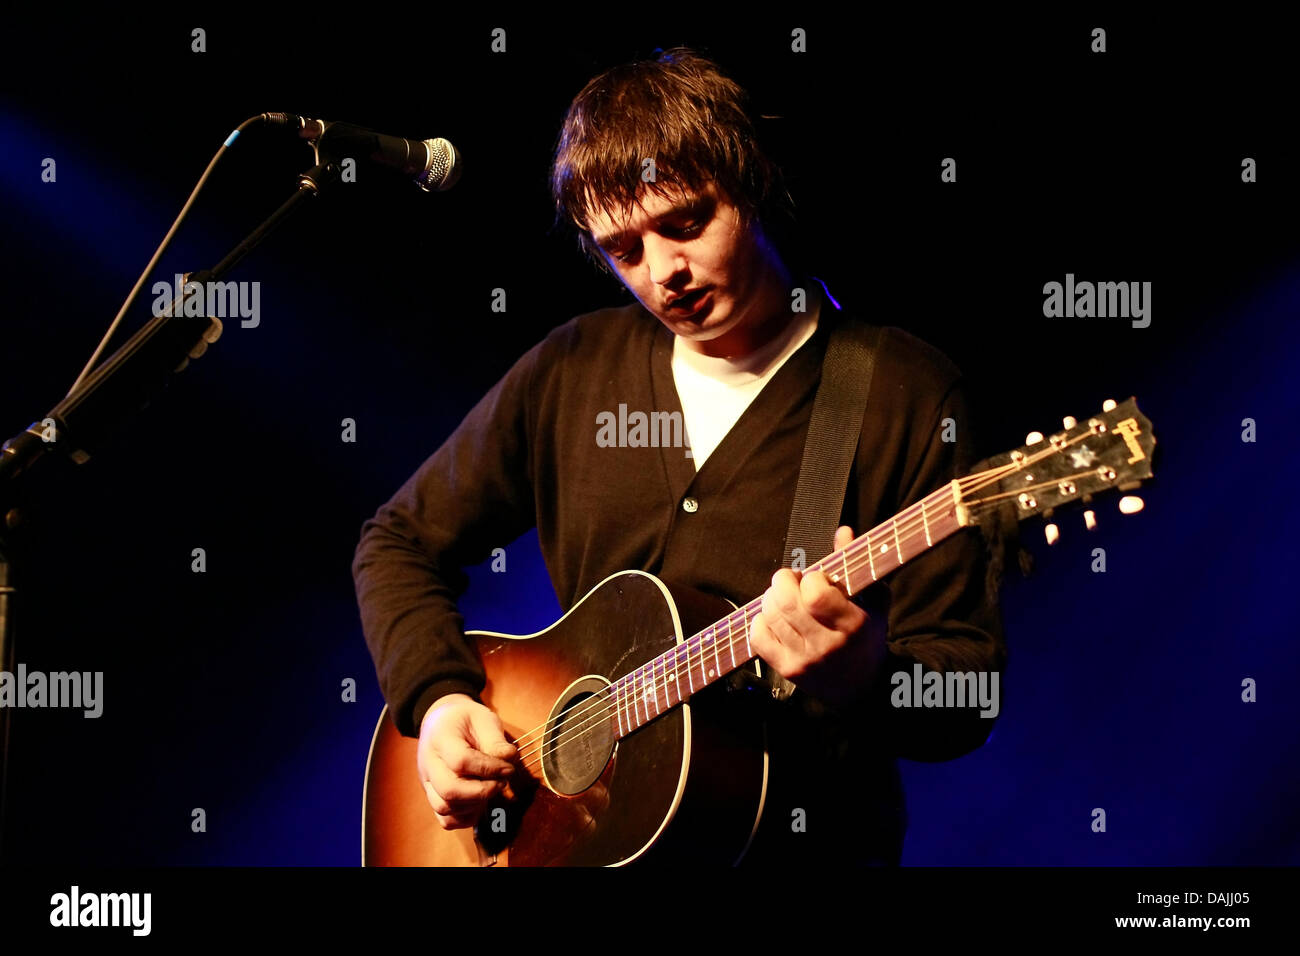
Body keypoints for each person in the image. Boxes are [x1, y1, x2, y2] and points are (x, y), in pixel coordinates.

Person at [352, 47, 1005, 865]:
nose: (664, 273)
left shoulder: (903, 392)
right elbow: (396, 542)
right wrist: (440, 701)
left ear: (754, 181)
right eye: (624, 249)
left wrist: (867, 674)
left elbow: (969, 696)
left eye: (687, 222)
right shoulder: (572, 369)